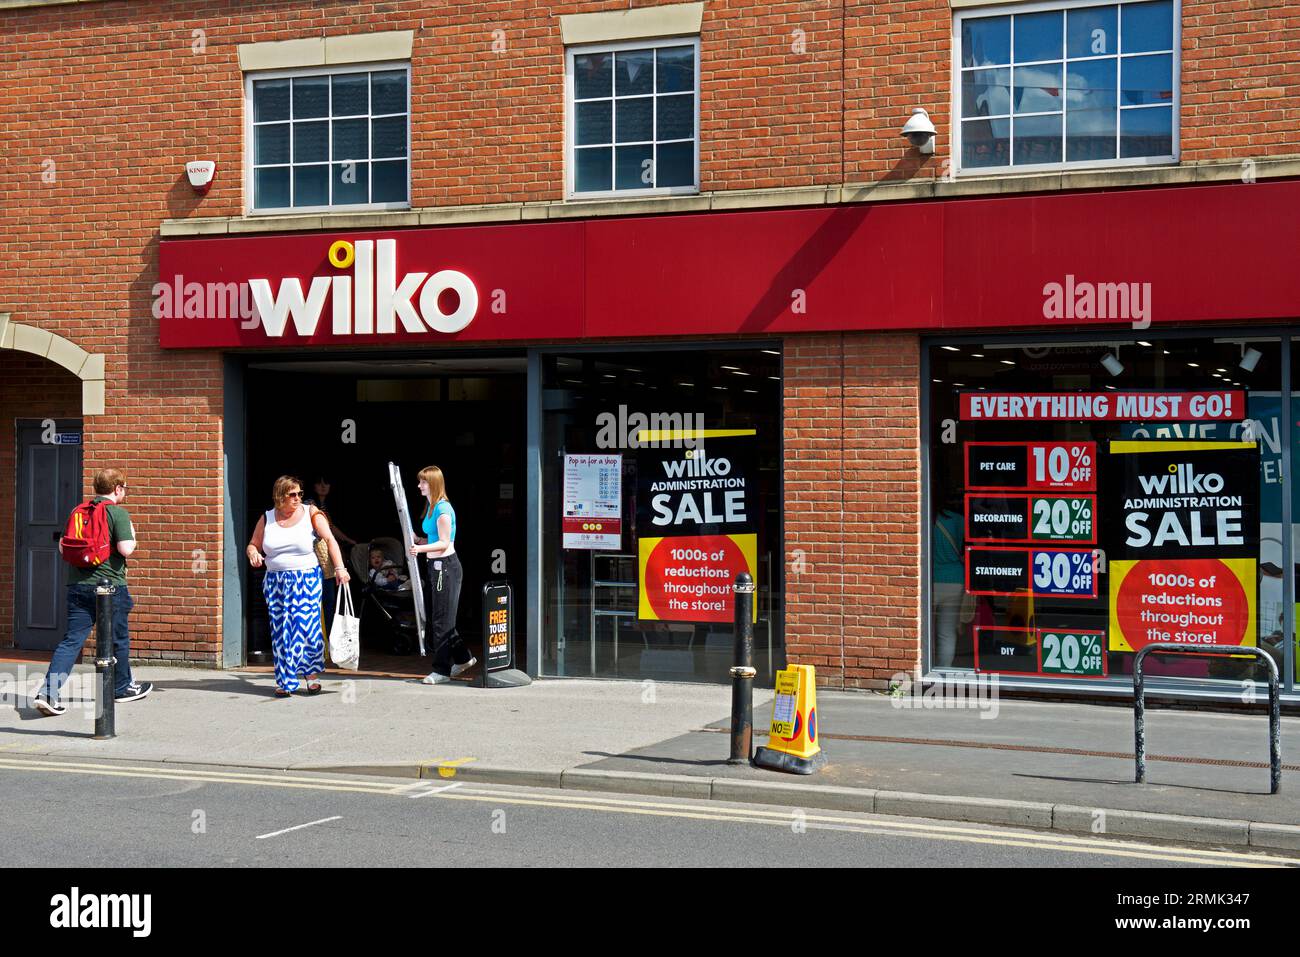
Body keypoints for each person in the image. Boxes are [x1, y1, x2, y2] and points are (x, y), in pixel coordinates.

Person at [35, 468, 152, 716]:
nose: (125, 493)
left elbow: (62, 547)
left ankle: (47, 693)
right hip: (111, 588)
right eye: (124, 488)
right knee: (118, 639)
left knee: (71, 641)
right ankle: (121, 688)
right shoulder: (117, 513)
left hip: (78, 586)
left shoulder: (78, 513)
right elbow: (126, 549)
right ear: (117, 488)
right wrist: (132, 535)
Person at [247, 476, 350, 697]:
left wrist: (340, 568)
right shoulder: (267, 518)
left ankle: (311, 674)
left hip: (306, 580)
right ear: (279, 496)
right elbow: (253, 544)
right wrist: (254, 553)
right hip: (275, 582)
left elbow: (330, 540)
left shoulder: (311, 513)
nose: (297, 498)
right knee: (281, 630)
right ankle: (286, 680)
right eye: (292, 494)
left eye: (299, 494)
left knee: (307, 628)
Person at [409, 465, 475, 684]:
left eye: (423, 482)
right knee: (442, 620)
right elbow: (434, 538)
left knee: (440, 621)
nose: (419, 486)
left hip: (444, 568)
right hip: (436, 567)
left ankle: (441, 670)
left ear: (433, 484)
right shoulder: (430, 507)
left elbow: (445, 543)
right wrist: (420, 540)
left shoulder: (443, 509)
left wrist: (420, 549)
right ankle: (464, 658)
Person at [932, 495, 968, 668]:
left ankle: (923, 667)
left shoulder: (920, 519)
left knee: (923, 630)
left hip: (928, 581)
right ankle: (943, 671)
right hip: (954, 580)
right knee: (946, 633)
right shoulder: (957, 520)